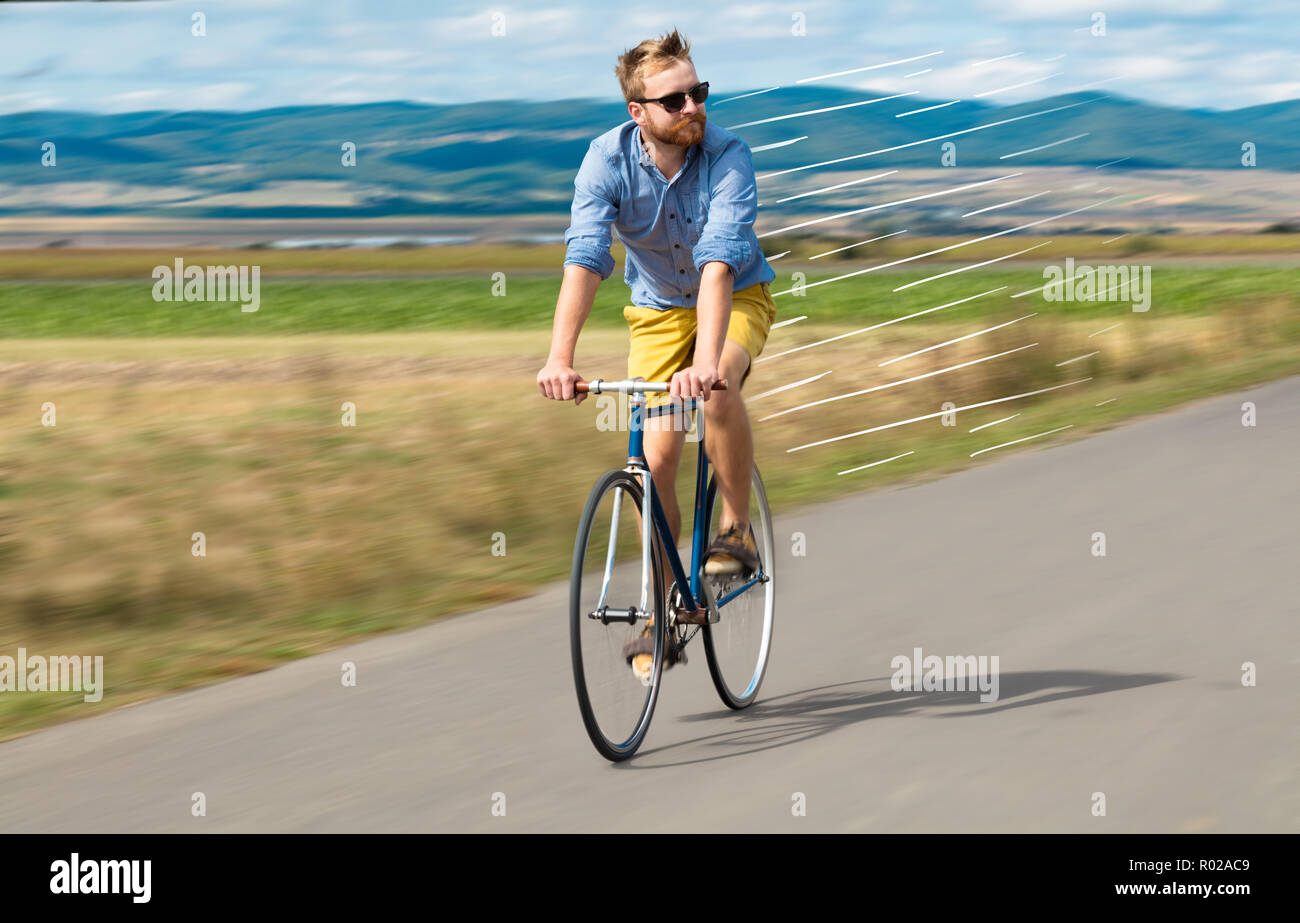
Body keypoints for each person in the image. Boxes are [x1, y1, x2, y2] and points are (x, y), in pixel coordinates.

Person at [537, 28, 777, 680]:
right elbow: (586, 258)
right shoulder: (604, 162)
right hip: (655, 314)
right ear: (638, 113)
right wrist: (560, 357)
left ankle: (736, 529)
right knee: (654, 459)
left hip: (734, 297)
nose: (693, 107)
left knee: (719, 383)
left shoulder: (729, 156)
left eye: (698, 92)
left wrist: (705, 360)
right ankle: (664, 608)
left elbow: (720, 263)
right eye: (674, 101)